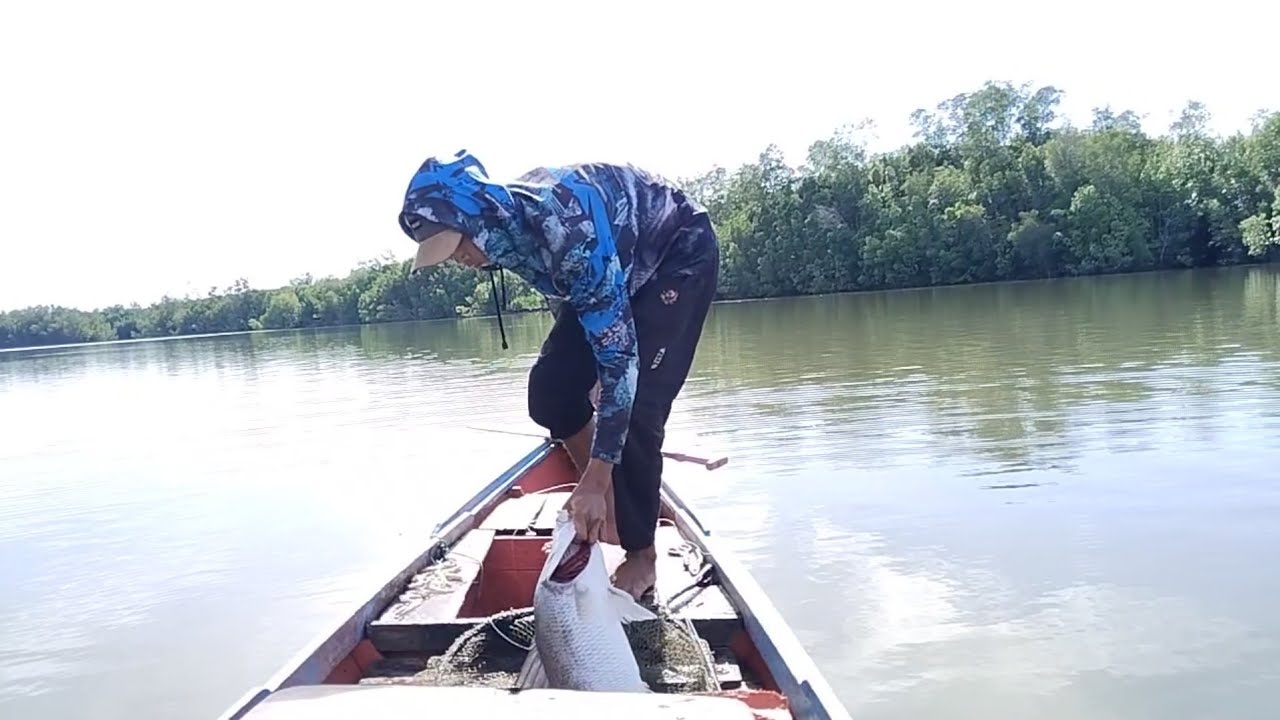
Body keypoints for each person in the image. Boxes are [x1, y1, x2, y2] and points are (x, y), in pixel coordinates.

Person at [397, 149, 719, 600]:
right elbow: (572, 297)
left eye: (455, 244)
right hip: (611, 267)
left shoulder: (563, 229)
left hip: (675, 254)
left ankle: (641, 554)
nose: (457, 259)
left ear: (477, 216)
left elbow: (621, 361)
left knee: (637, 406)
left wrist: (598, 470)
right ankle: (607, 499)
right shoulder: (508, 231)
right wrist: (583, 372)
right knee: (551, 389)